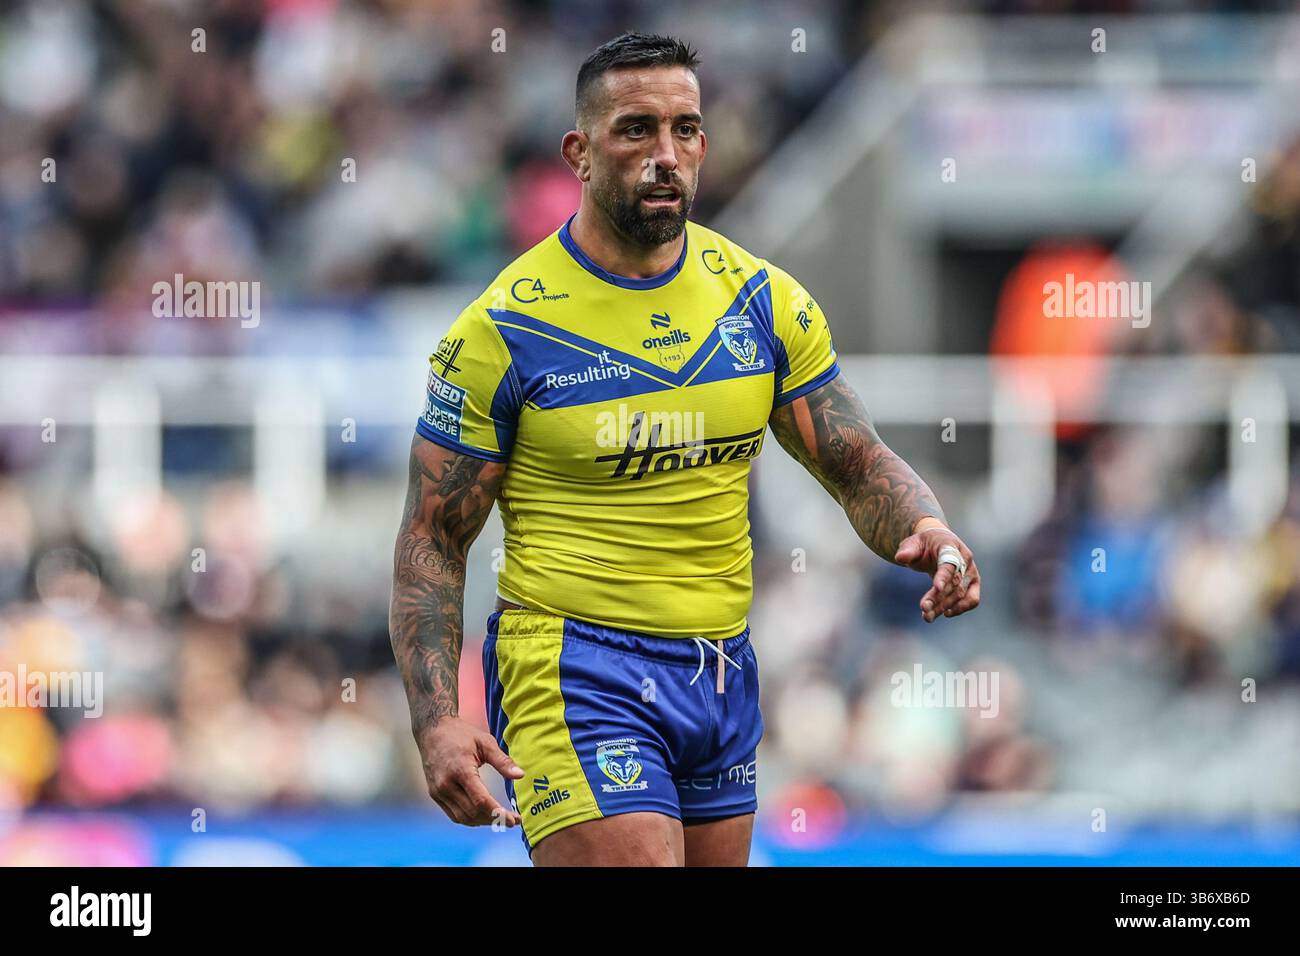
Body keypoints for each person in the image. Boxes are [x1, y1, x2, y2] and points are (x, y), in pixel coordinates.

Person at [389, 31, 980, 867]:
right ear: (580, 153)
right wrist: (439, 719)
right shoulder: (503, 330)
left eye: (686, 130)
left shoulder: (761, 303)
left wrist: (926, 523)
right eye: (636, 130)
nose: (666, 155)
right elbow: (431, 538)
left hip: (721, 671)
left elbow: (853, 456)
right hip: (575, 669)